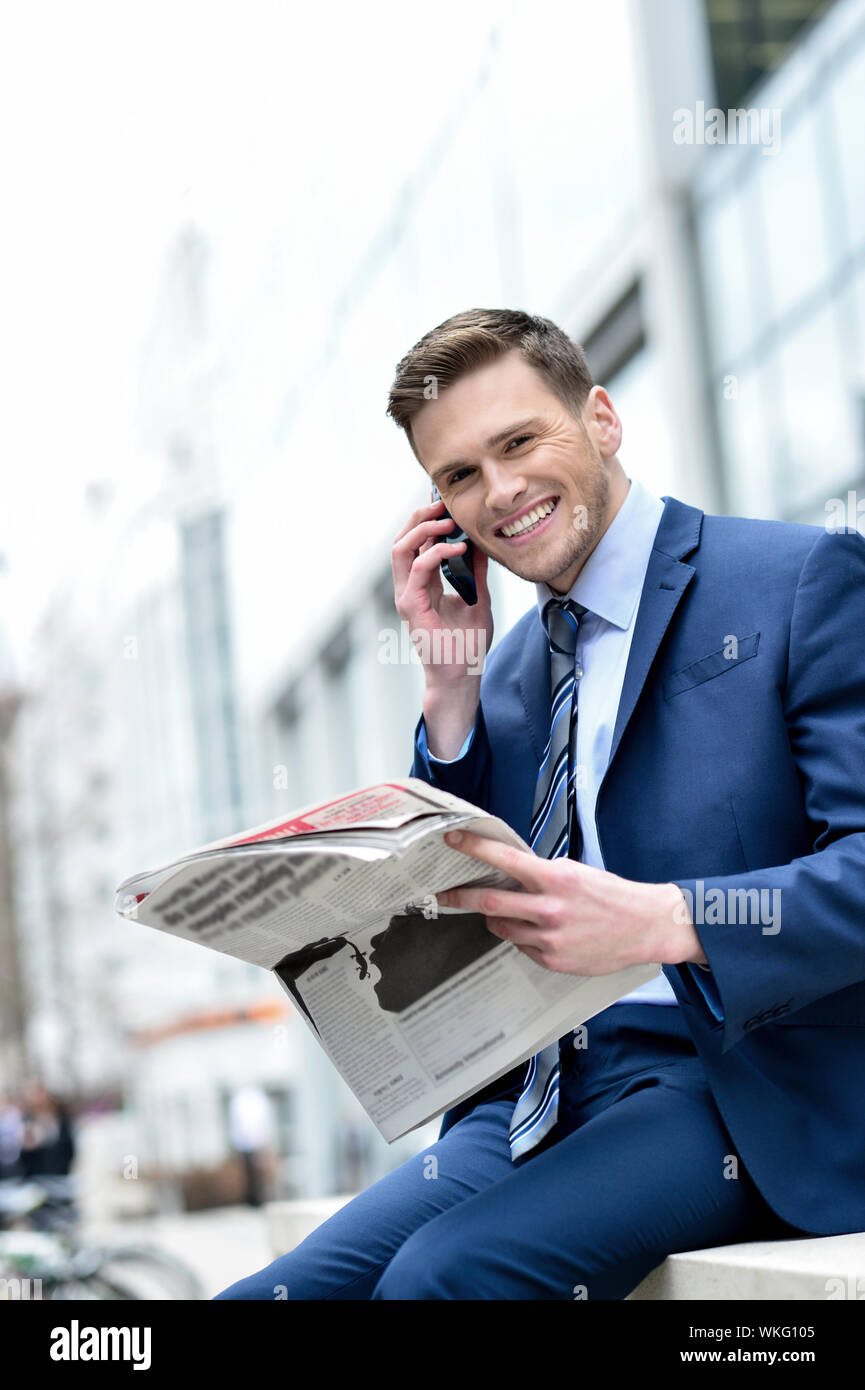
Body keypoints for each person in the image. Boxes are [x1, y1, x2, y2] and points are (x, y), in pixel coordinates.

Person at [214, 307, 865, 1300]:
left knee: (442, 1279)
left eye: (519, 441)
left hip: (727, 1084)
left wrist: (668, 917)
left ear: (600, 419)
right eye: (459, 475)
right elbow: (460, 894)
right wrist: (446, 692)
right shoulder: (507, 670)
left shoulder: (793, 581)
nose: (500, 491)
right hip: (537, 1091)